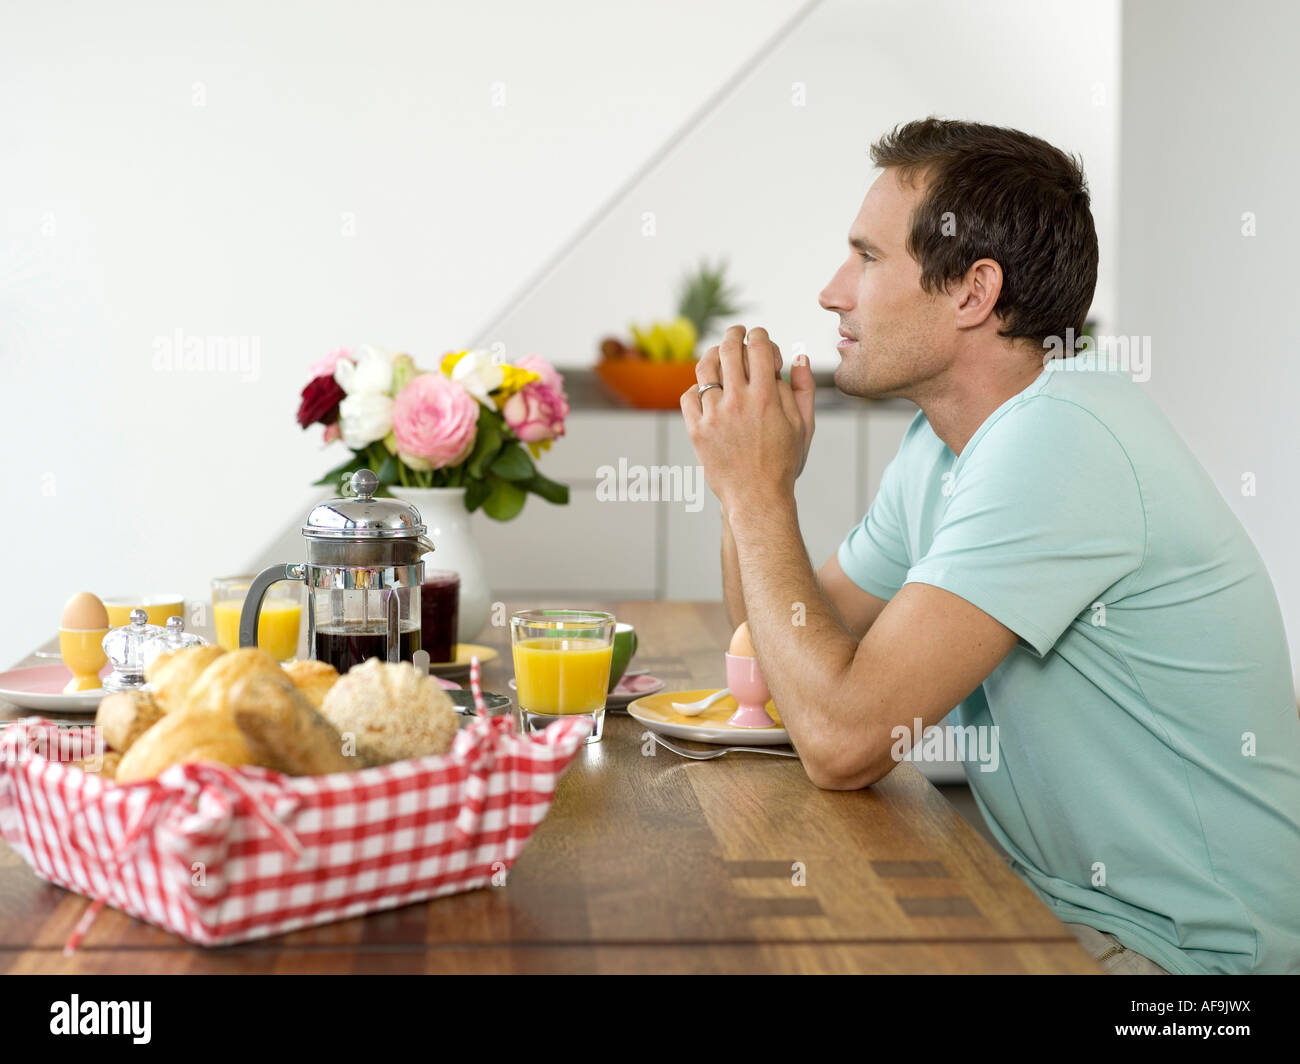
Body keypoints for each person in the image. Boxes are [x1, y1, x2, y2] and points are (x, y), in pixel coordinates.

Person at [680, 117, 1300, 976]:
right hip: (1054, 912)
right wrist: (745, 479)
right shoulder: (945, 446)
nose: (832, 293)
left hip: (1192, 974)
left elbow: (843, 740)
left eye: (866, 258)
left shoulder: (1060, 440)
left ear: (973, 292)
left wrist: (757, 495)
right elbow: (770, 640)